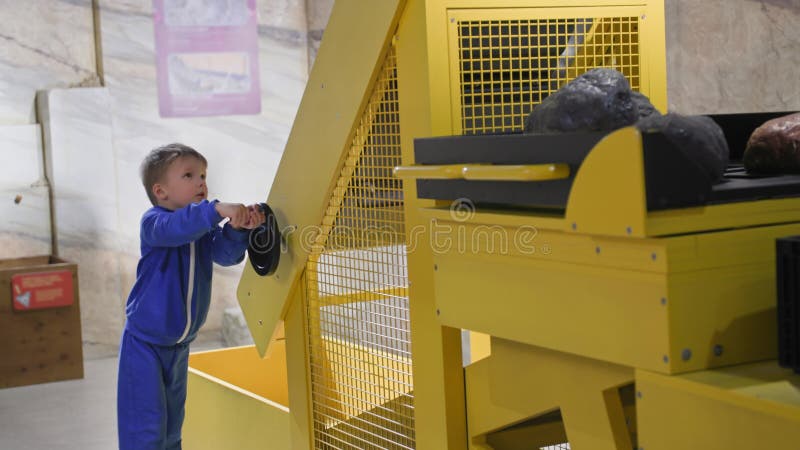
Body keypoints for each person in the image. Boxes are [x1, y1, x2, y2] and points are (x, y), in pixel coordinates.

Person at [117, 143, 264, 449]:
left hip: (179, 345)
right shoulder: (154, 222)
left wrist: (239, 229)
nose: (201, 182)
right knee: (145, 429)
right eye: (189, 175)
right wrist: (215, 210)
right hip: (144, 343)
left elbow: (224, 255)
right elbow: (177, 229)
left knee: (171, 428)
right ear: (161, 191)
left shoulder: (200, 229)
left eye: (202, 175)